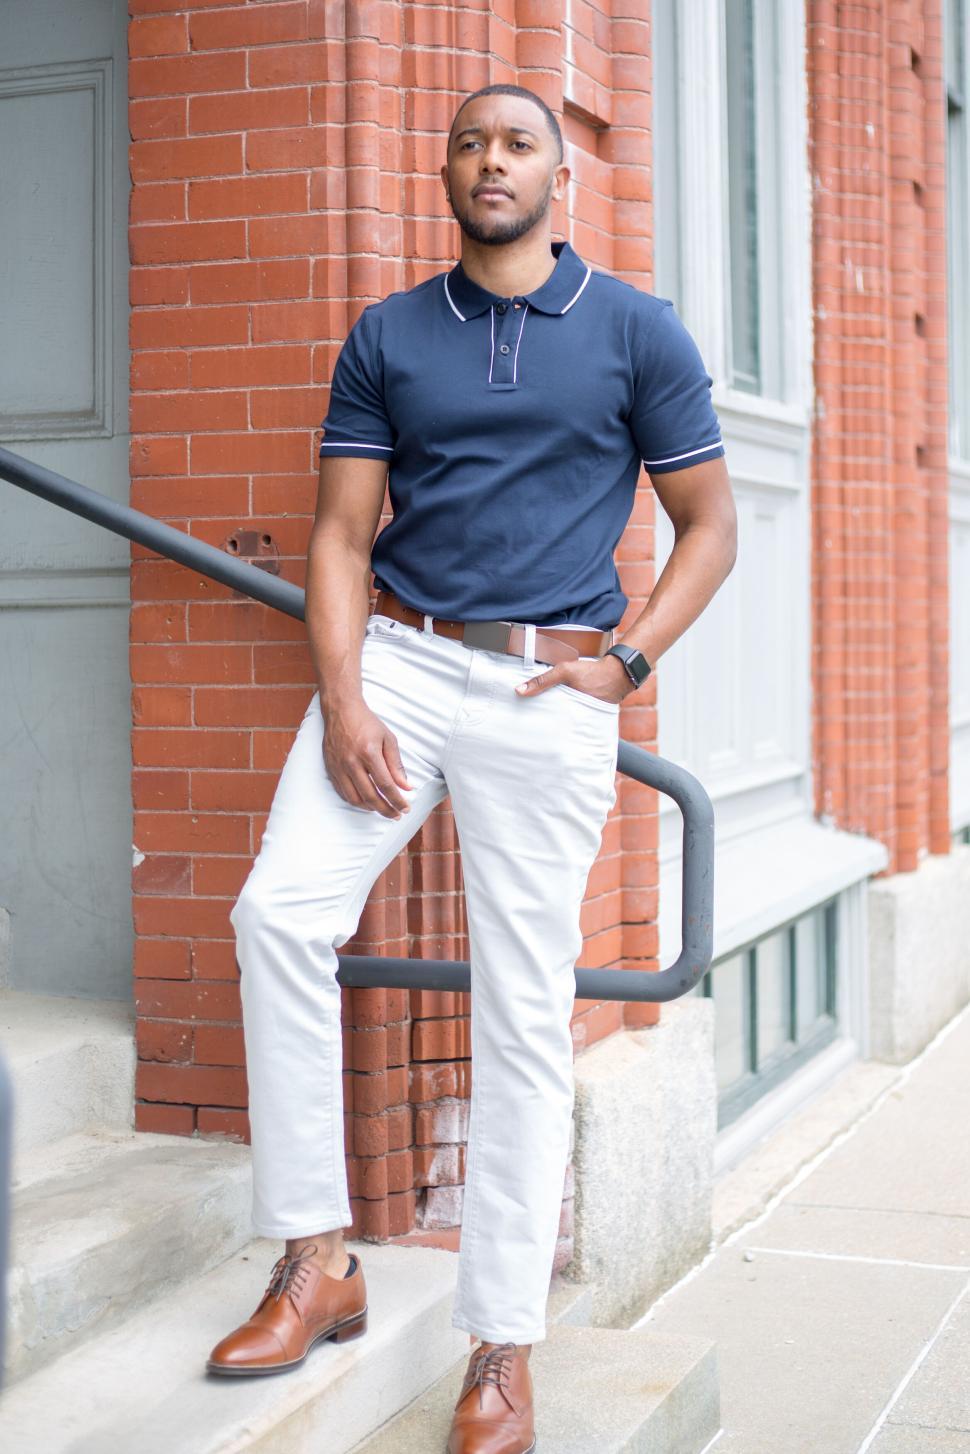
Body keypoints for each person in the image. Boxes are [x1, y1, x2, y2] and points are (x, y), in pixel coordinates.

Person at [206, 82, 737, 1454]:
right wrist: (341, 689)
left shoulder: (635, 331)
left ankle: (498, 1345)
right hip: (399, 658)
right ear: (442, 170)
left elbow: (707, 526)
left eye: (513, 144)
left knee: (517, 1011)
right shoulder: (389, 333)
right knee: (278, 915)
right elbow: (339, 531)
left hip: (548, 677)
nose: (488, 161)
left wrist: (623, 664)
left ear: (560, 173)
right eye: (466, 143)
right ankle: (317, 1256)